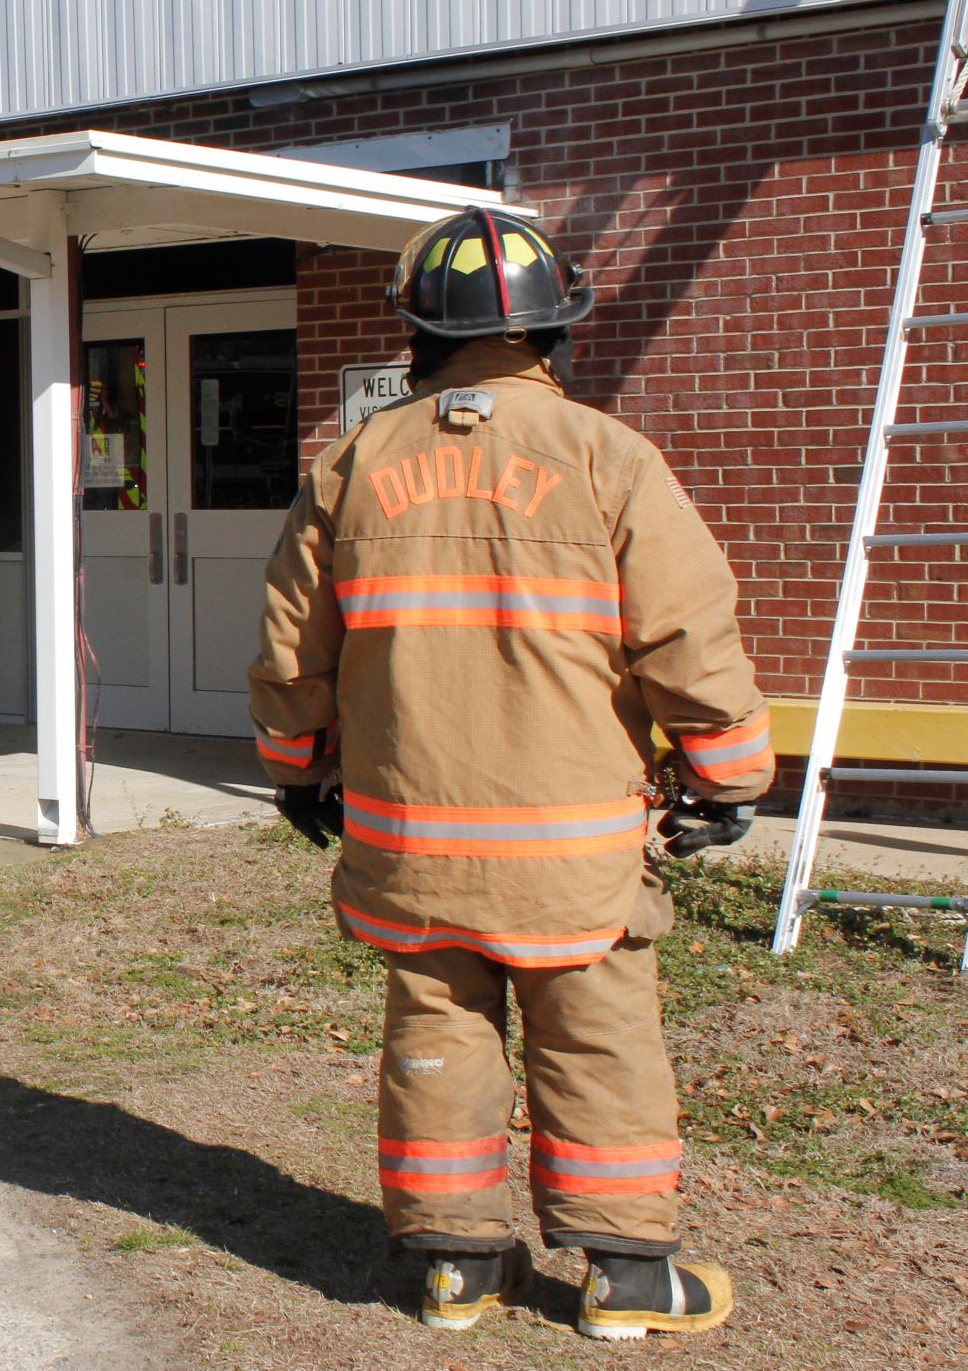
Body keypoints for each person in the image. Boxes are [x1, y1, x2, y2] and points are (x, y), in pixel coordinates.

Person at [250, 209, 770, 1340]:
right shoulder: (607, 459)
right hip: (572, 855)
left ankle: (452, 1269)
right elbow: (690, 639)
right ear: (553, 329)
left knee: (435, 1035)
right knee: (599, 1039)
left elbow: (294, 650)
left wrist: (295, 768)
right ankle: (628, 1280)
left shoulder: (351, 465)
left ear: (415, 330)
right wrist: (726, 779)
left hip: (409, 844)